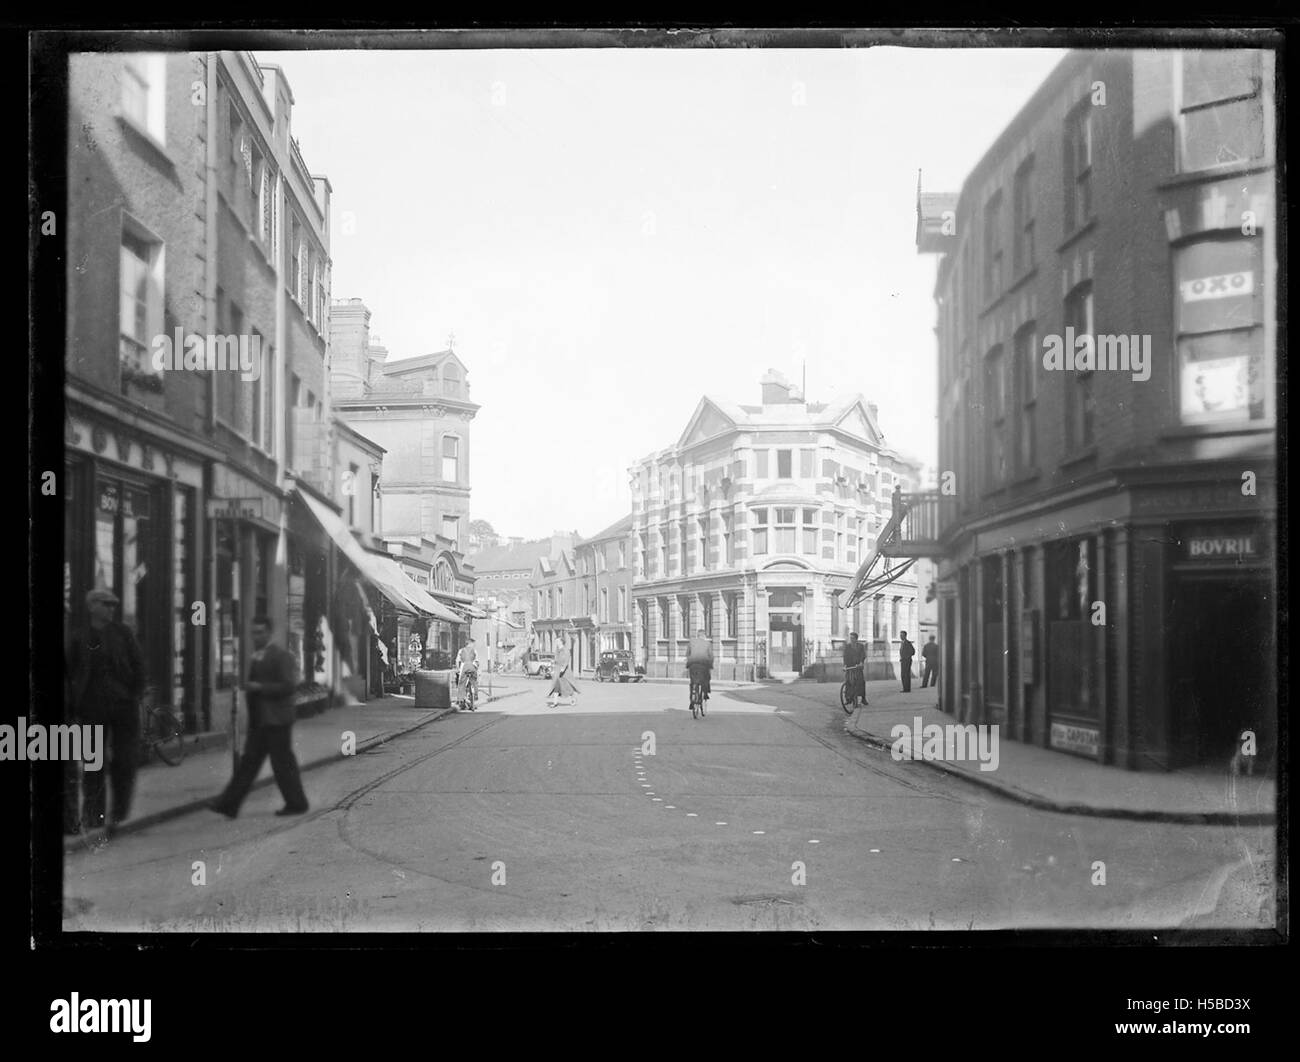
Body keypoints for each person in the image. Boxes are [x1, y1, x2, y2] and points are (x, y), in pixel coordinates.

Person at [210, 615, 309, 819]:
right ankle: (228, 804)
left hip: (277, 720)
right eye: (253, 633)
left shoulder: (281, 656)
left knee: (281, 764)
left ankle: (297, 803)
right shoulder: (257, 656)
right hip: (261, 721)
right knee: (249, 763)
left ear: (269, 633)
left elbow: (289, 685)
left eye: (260, 632)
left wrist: (261, 687)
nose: (256, 636)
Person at [66, 588, 146, 834]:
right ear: (92, 607)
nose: (111, 609)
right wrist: (73, 709)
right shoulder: (80, 637)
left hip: (123, 706)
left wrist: (134, 695)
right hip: (92, 708)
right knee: (93, 763)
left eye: (113, 605)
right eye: (106, 604)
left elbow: (138, 665)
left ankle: (119, 813)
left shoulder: (123, 633)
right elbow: (70, 674)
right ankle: (94, 815)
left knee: (124, 760)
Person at [546, 635, 579, 706]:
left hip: (565, 672)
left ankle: (573, 697)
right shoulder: (557, 650)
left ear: (561, 642)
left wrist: (563, 668)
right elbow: (555, 660)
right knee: (556, 686)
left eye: (557, 641)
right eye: (556, 641)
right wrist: (552, 668)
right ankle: (555, 703)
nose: (556, 642)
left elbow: (567, 660)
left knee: (568, 687)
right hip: (557, 670)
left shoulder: (565, 650)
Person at [686, 629, 713, 709]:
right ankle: (705, 694)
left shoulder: (691, 643)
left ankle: (692, 701)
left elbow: (687, 654)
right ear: (704, 636)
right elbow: (711, 656)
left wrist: (689, 662)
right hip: (703, 666)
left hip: (693, 666)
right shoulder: (707, 643)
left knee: (693, 682)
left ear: (697, 636)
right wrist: (710, 665)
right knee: (706, 678)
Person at [842, 631, 868, 707]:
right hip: (850, 667)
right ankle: (848, 699)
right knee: (848, 682)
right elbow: (845, 656)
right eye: (850, 638)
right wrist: (844, 665)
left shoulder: (860, 646)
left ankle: (863, 698)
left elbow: (863, 655)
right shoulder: (848, 646)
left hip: (858, 667)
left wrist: (861, 662)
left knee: (861, 682)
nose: (851, 639)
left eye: (853, 638)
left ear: (856, 639)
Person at [455, 636, 479, 710]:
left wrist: (458, 669)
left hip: (464, 667)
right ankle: (475, 696)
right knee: (474, 681)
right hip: (472, 667)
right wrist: (477, 669)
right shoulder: (474, 651)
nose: (474, 645)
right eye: (473, 644)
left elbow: (457, 661)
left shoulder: (461, 650)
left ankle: (460, 700)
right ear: (470, 644)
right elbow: (477, 661)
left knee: (461, 683)